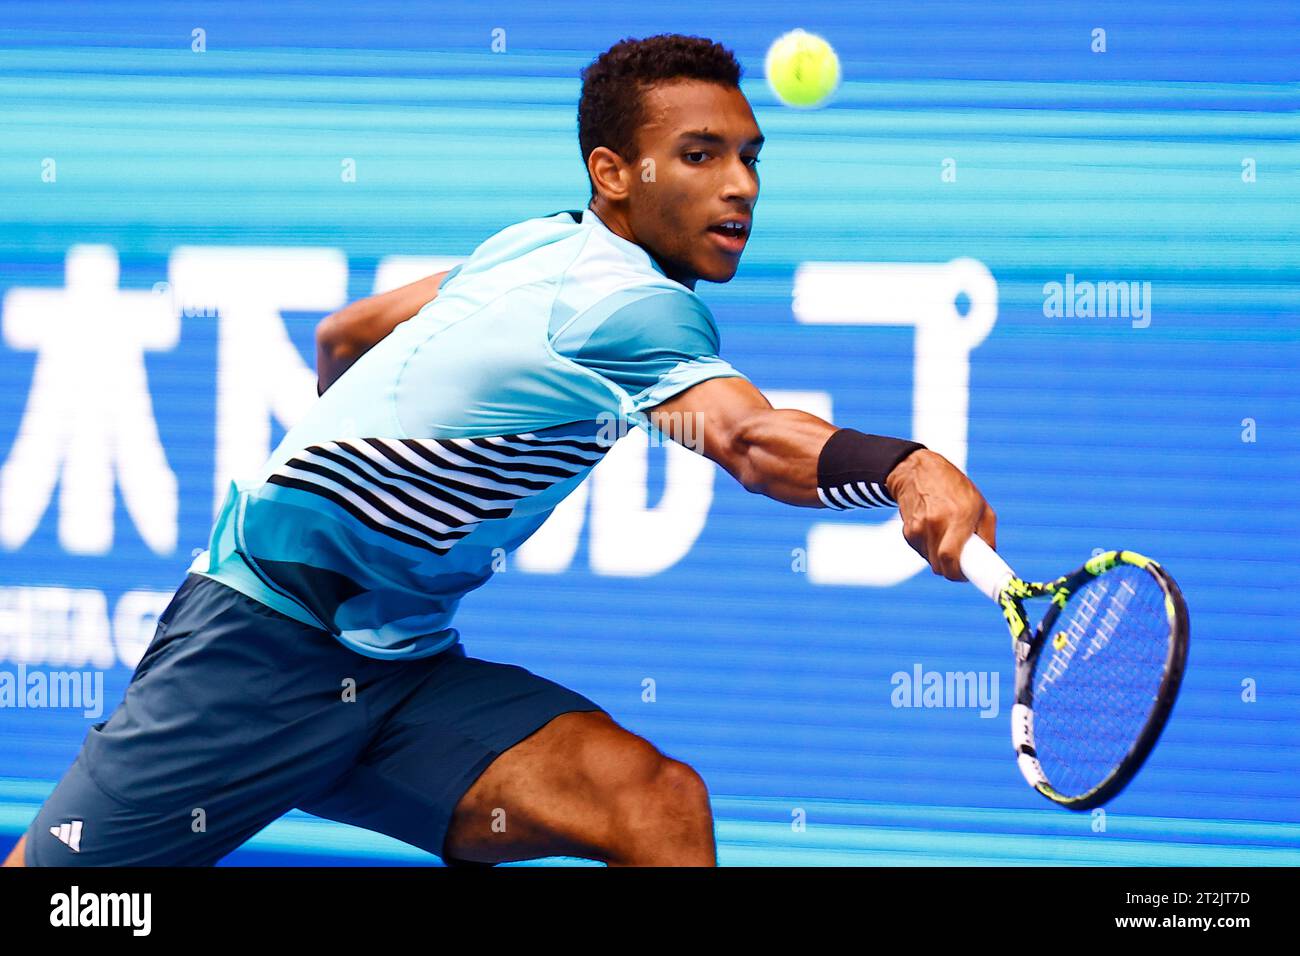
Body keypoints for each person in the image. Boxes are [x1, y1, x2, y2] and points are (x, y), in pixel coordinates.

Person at [7, 33, 994, 868]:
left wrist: (361, 474)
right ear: (613, 172)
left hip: (398, 670)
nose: (739, 185)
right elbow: (744, 439)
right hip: (254, 650)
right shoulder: (630, 305)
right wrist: (905, 465)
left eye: (749, 155)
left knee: (655, 804)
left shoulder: (538, 241)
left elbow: (346, 333)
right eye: (700, 155)